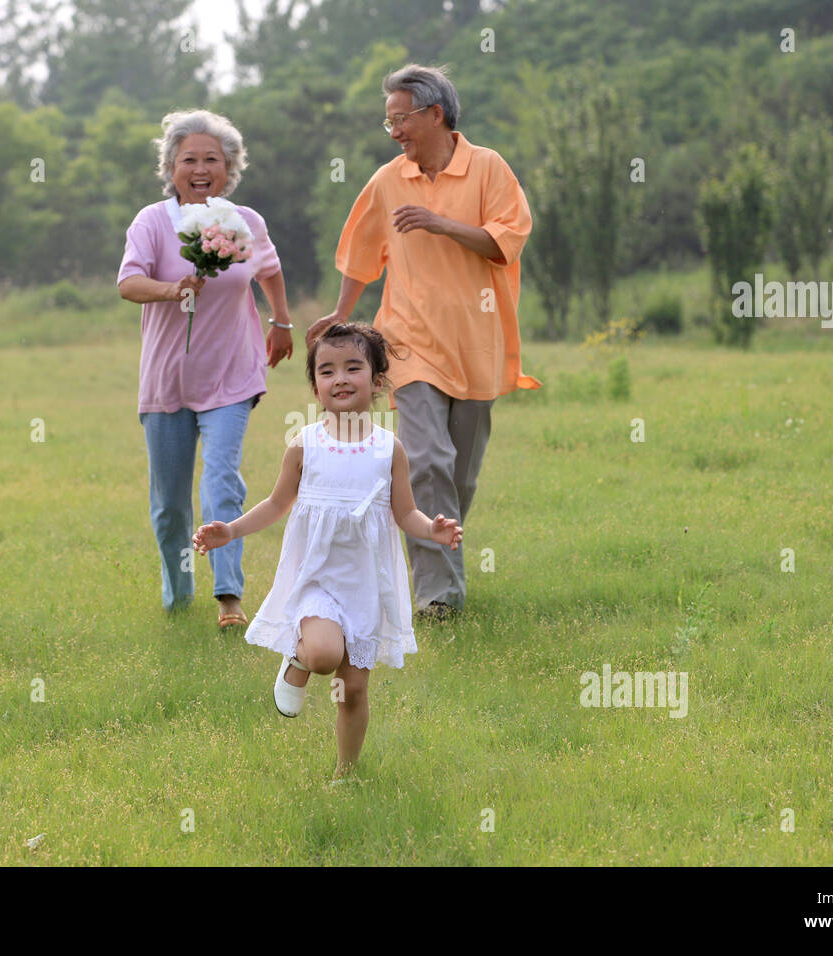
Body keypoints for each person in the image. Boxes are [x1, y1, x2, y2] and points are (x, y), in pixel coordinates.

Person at [306, 64, 539, 622]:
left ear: (435, 114)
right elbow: (362, 250)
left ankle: (440, 548)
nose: (394, 133)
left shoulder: (487, 168)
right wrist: (340, 314)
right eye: (387, 123)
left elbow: (506, 239)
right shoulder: (388, 180)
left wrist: (441, 223)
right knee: (427, 462)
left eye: (401, 120)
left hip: (477, 341)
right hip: (408, 342)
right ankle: (439, 598)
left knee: (460, 475)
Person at [192, 324, 462, 778]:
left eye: (353, 368)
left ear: (377, 380)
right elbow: (278, 504)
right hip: (318, 578)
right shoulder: (305, 446)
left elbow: (405, 513)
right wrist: (231, 531)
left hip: (366, 584)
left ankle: (345, 773)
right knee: (322, 654)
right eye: (327, 370)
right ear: (315, 386)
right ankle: (297, 660)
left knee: (354, 689)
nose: (340, 378)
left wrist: (431, 530)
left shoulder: (388, 449)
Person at [118, 109, 296, 628]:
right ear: (171, 167)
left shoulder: (245, 220)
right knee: (170, 503)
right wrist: (172, 289)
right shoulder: (151, 221)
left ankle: (229, 598)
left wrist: (281, 322)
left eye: (211, 159)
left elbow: (270, 270)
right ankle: (177, 596)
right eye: (188, 159)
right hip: (167, 380)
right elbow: (128, 283)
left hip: (231, 375)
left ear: (229, 167)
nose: (200, 168)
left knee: (221, 482)